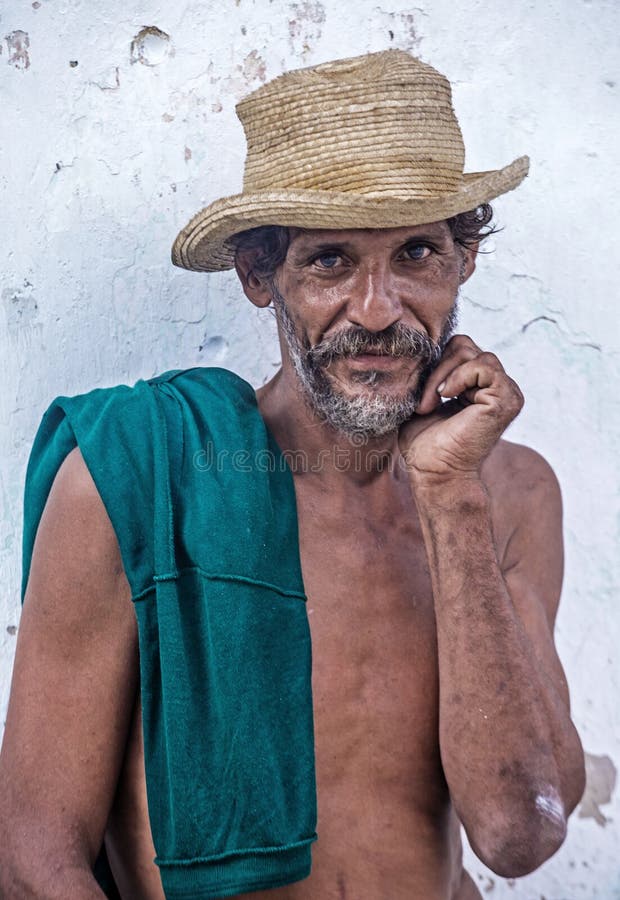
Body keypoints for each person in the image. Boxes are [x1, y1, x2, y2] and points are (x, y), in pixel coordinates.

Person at [0, 50, 585, 900]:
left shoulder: (512, 492)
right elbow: (32, 857)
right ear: (257, 275)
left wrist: (452, 497)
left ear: (464, 261)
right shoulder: (138, 476)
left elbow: (518, 833)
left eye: (417, 252)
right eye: (330, 262)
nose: (378, 309)